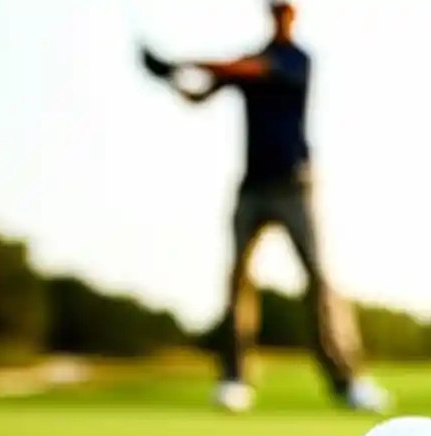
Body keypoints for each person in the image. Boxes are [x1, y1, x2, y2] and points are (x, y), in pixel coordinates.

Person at [155, 1, 390, 413]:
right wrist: (167, 77)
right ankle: (235, 379)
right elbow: (200, 95)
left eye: (286, 9)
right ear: (271, 14)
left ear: (293, 15)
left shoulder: (296, 60)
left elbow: (237, 70)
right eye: (277, 9)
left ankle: (348, 380)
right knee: (237, 280)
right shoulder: (249, 61)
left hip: (295, 184)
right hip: (252, 186)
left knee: (318, 279)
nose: (282, 14)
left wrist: (182, 61)